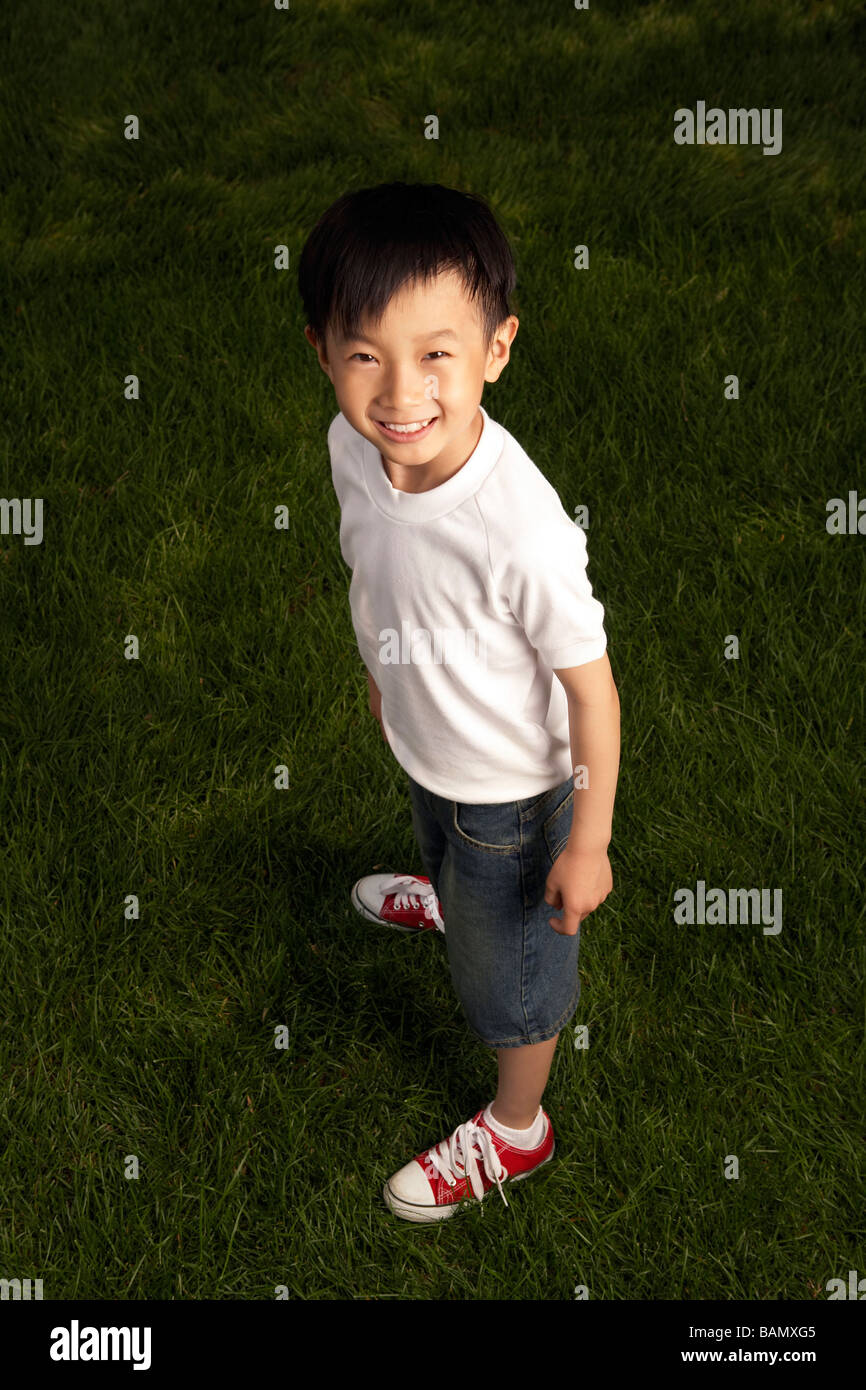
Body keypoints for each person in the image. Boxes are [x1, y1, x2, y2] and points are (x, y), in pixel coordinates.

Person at [298, 181, 621, 1223]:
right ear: (322, 351)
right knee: (439, 841)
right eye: (365, 354)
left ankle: (516, 1128)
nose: (399, 392)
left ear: (496, 348)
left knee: (509, 986)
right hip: (430, 749)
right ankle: (450, 899)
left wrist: (586, 842)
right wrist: (385, 681)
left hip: (514, 802)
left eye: (436, 353)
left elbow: (590, 689)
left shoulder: (517, 527)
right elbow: (376, 567)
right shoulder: (356, 447)